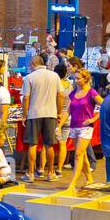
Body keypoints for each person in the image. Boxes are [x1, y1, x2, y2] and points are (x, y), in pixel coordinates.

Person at [22, 53, 63, 181]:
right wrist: (59, 112)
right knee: (49, 145)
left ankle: (30, 174)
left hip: (34, 114)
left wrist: (24, 115)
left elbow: (26, 98)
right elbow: (61, 95)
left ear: (33, 64)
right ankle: (51, 173)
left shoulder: (29, 77)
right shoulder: (55, 76)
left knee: (32, 145)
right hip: (50, 113)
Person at [65, 67, 102, 193]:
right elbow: (69, 110)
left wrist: (93, 119)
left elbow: (105, 106)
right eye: (75, 78)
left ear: (85, 79)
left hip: (86, 127)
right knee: (82, 154)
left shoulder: (92, 93)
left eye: (78, 78)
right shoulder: (74, 92)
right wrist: (59, 126)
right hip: (74, 126)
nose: (75, 81)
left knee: (78, 154)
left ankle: (73, 183)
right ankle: (90, 179)